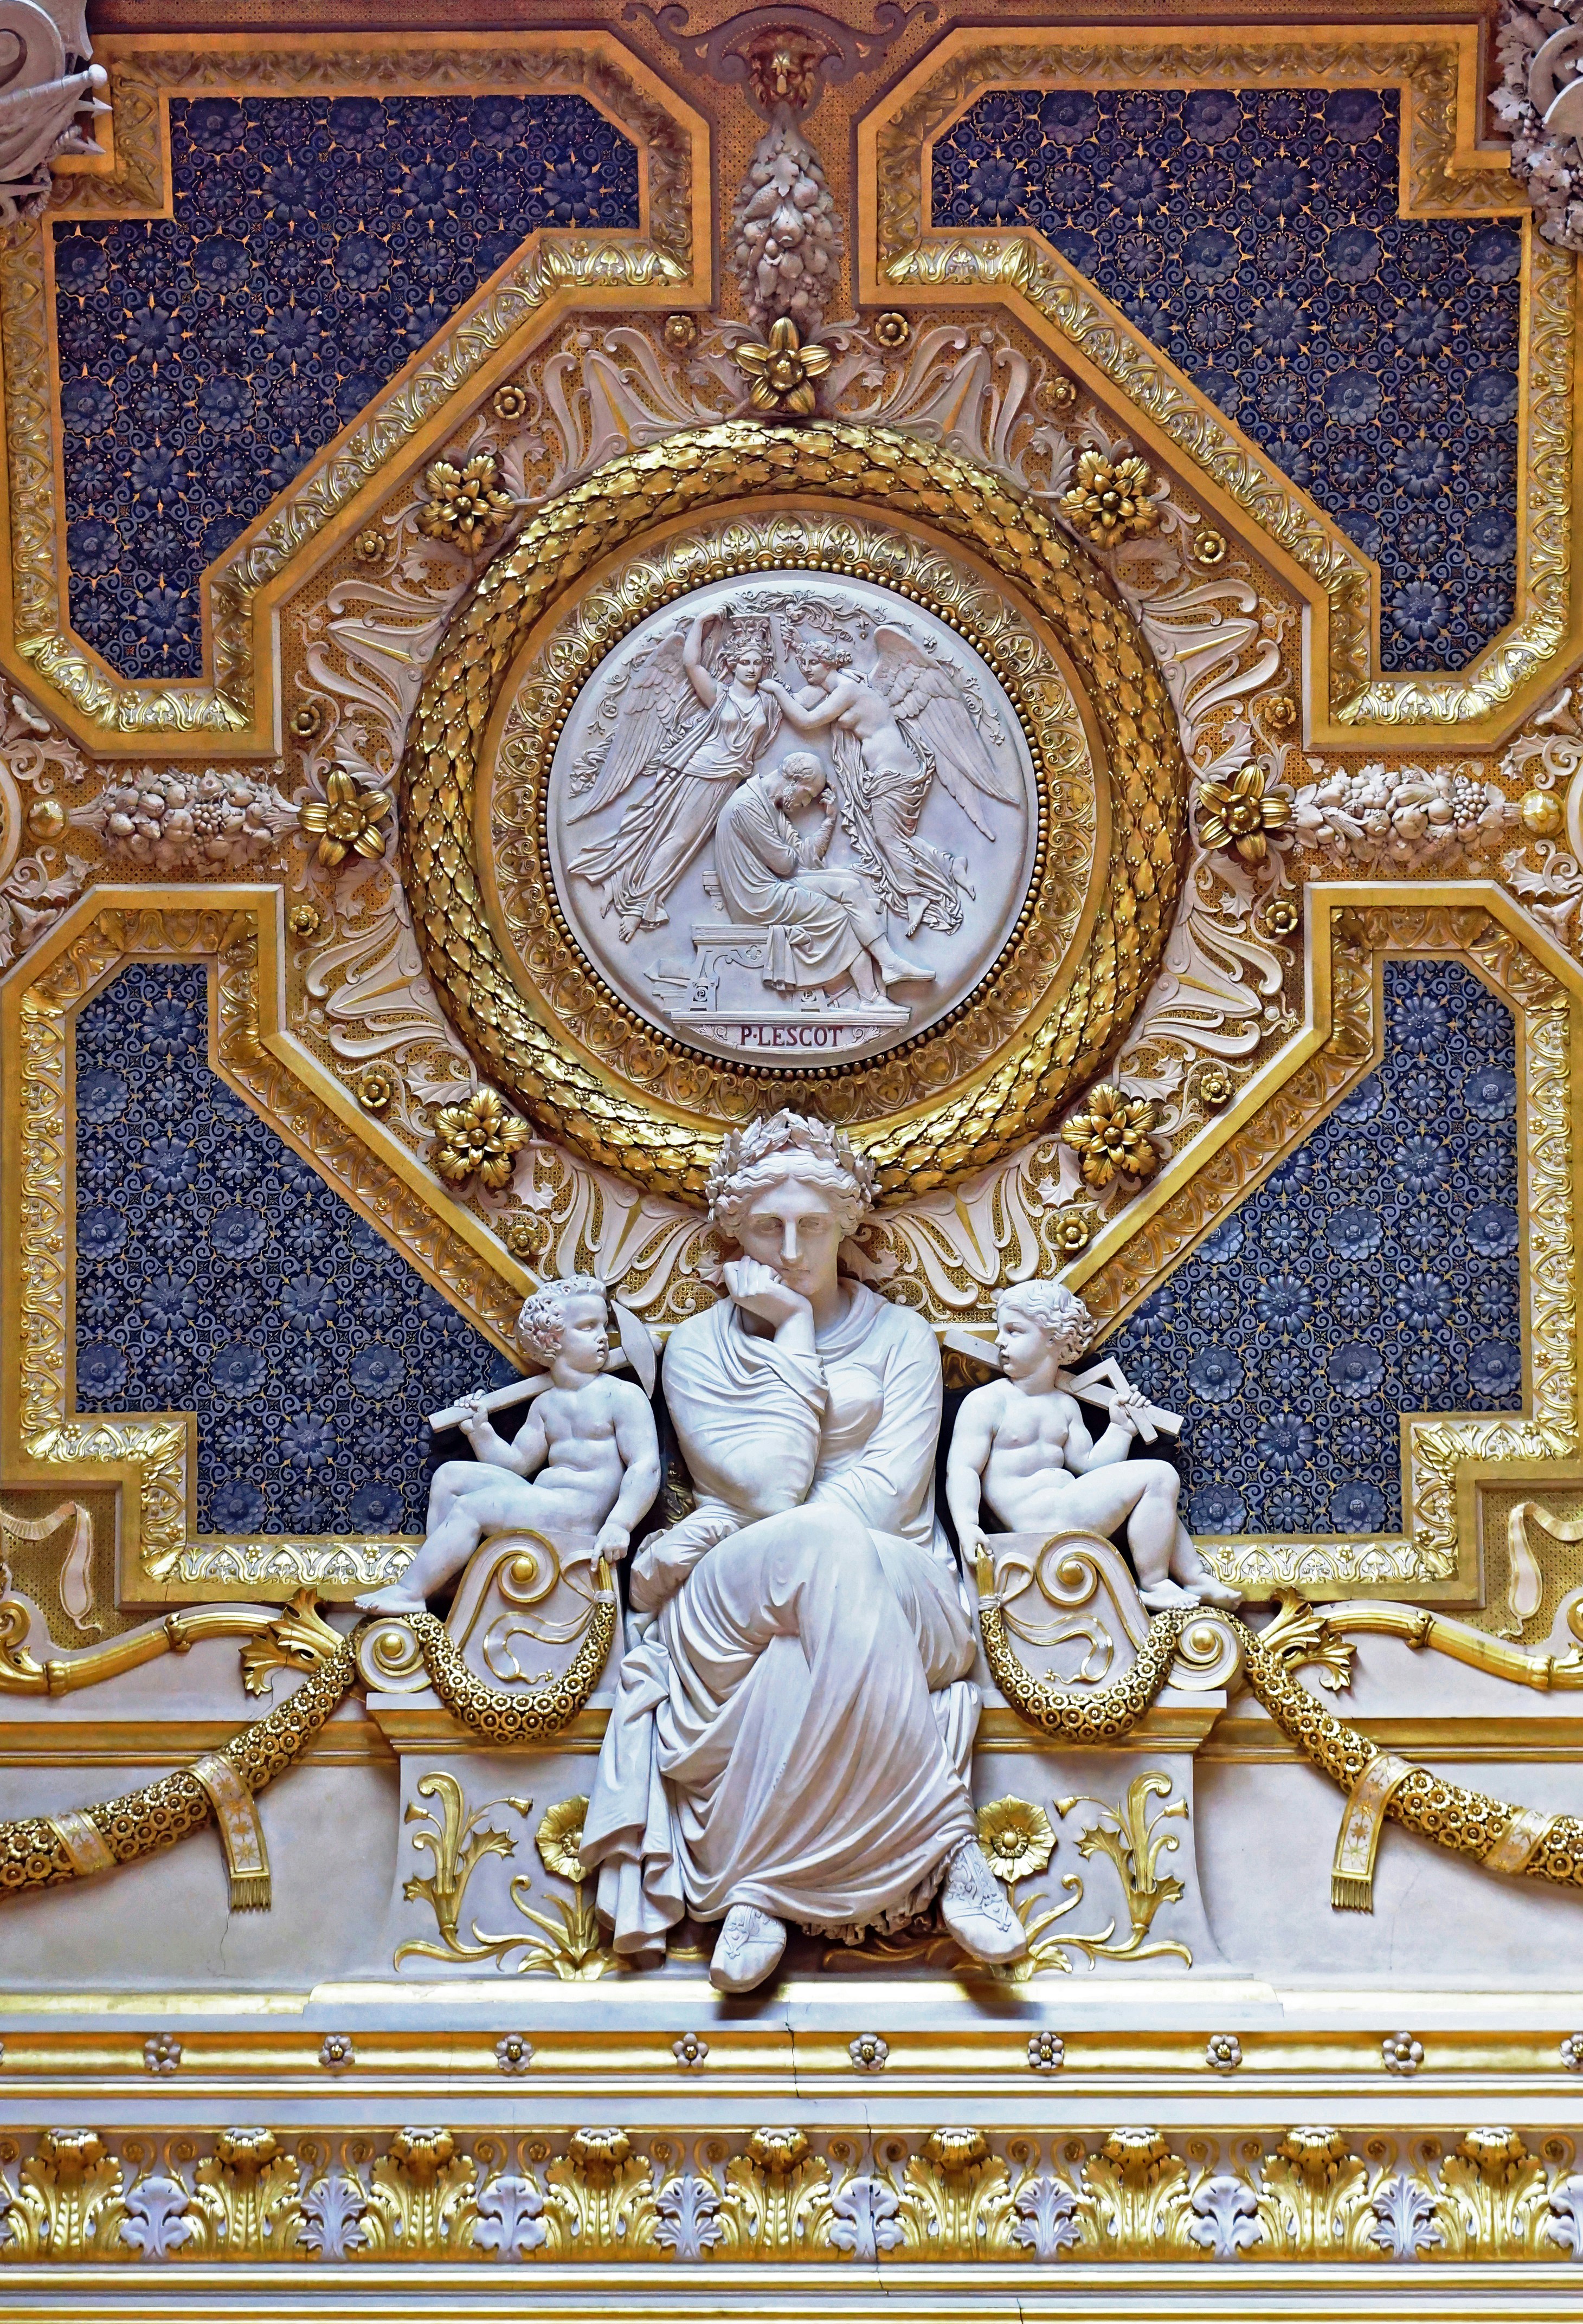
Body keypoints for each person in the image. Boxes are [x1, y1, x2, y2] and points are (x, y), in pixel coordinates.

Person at [582, 1111, 1026, 1993]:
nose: (790, 1246)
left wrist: (761, 1521)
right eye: (766, 1227)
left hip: (900, 1583)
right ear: (732, 1236)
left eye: (812, 1223)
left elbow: (887, 1493)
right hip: (733, 1589)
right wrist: (789, 1332)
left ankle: (760, 1887)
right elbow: (774, 1490)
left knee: (811, 1609)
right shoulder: (700, 1349)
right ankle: (950, 1845)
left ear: (849, 1224)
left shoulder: (900, 1337)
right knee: (808, 1560)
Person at [354, 1277, 660, 1615]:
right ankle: (446, 1576)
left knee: (475, 1507)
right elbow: (515, 1465)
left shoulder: (620, 1395)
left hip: (577, 1514)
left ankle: (410, 1592)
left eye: (603, 1325)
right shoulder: (546, 1404)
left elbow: (645, 1465)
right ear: (552, 1339)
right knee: (450, 1476)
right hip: (546, 1500)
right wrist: (480, 1430)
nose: (603, 1336)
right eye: (588, 1327)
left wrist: (620, 1524)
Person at [945, 1280, 1241, 1613]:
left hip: (1067, 1508)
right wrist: (968, 1526)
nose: (1000, 1341)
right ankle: (1156, 1584)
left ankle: (1194, 1575)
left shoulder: (1064, 1406)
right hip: (1037, 1519)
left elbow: (1090, 1467)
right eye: (1002, 1331)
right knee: (1159, 1476)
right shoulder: (987, 1401)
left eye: (1014, 1331)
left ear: (1054, 1338)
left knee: (1157, 1493)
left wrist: (1119, 1430)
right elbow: (963, 1468)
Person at [568, 617, 780, 939]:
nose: (752, 669)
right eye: (745, 662)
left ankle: (641, 897)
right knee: (678, 839)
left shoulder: (767, 702)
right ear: (732, 665)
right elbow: (691, 662)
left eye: (758, 663)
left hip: (725, 783)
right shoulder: (718, 696)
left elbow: (805, 712)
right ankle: (639, 905)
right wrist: (701, 622)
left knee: (686, 844)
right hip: (698, 773)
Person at [711, 751, 932, 1002]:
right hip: (757, 901)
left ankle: (889, 964)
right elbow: (784, 863)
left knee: (851, 885)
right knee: (841, 912)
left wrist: (829, 820)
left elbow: (802, 859)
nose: (805, 805)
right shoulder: (747, 806)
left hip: (774, 888)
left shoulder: (770, 805)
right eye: (807, 796)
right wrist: (791, 856)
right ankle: (872, 998)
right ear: (793, 781)